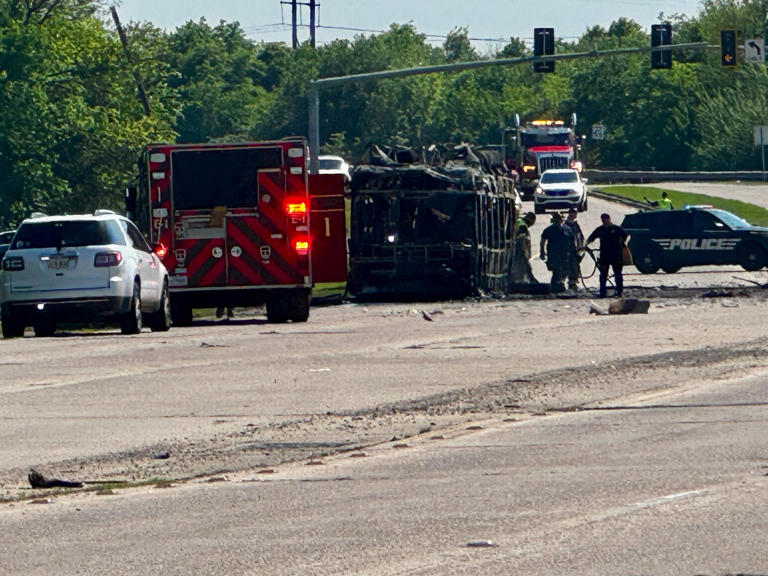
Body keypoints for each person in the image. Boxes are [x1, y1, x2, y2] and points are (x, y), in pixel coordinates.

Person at [586, 212, 629, 298]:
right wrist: (586, 244)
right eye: (603, 220)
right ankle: (602, 292)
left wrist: (621, 243)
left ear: (609, 219)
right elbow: (591, 237)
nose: (605, 221)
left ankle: (619, 291)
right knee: (603, 275)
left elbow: (625, 234)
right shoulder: (600, 229)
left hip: (616, 255)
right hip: (604, 255)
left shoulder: (616, 228)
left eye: (606, 219)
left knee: (618, 274)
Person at [539, 212, 574, 293]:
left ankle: (559, 285)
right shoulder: (549, 230)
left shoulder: (567, 229)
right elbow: (542, 241)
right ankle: (556, 287)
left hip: (565, 254)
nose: (558, 221)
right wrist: (542, 252)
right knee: (556, 271)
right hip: (554, 254)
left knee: (565, 270)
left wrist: (574, 252)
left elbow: (572, 241)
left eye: (559, 219)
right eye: (556, 220)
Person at [510, 212, 538, 283]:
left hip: (513, 249)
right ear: (531, 220)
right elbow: (521, 241)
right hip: (518, 252)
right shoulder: (523, 226)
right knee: (521, 269)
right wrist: (524, 255)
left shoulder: (518, 221)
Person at [563, 207, 584, 291]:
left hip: (576, 250)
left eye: (575, 213)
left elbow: (579, 237)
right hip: (569, 250)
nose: (574, 215)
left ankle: (573, 283)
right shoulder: (566, 225)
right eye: (572, 213)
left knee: (575, 267)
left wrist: (581, 248)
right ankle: (569, 284)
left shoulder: (575, 224)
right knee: (571, 267)